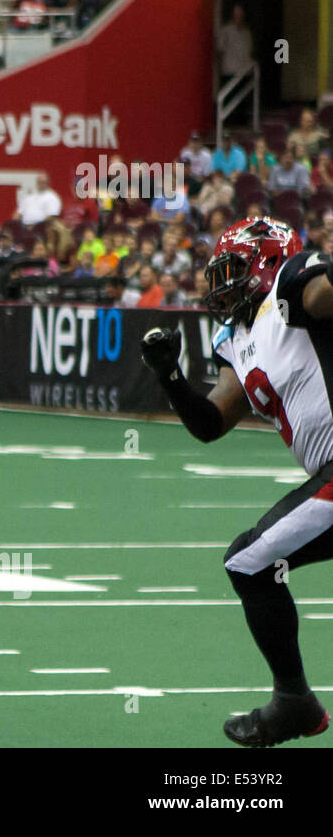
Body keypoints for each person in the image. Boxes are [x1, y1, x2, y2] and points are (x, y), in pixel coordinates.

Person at [140, 216, 333, 746]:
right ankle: (294, 702)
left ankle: (294, 703)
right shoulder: (241, 336)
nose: (222, 282)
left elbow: (321, 295)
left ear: (267, 261)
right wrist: (171, 377)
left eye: (233, 268)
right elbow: (209, 423)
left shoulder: (293, 280)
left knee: (249, 559)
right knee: (252, 561)